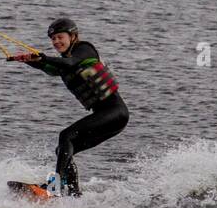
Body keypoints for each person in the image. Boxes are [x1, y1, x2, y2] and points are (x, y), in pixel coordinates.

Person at [8, 18, 128, 197]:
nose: (56, 42)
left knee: (66, 136)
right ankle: (74, 195)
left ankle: (52, 188)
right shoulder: (64, 62)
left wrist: (45, 57)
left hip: (115, 112)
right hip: (107, 116)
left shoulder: (84, 49)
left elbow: (70, 63)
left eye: (60, 37)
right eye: (53, 39)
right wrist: (27, 60)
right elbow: (50, 68)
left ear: (73, 36)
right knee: (64, 149)